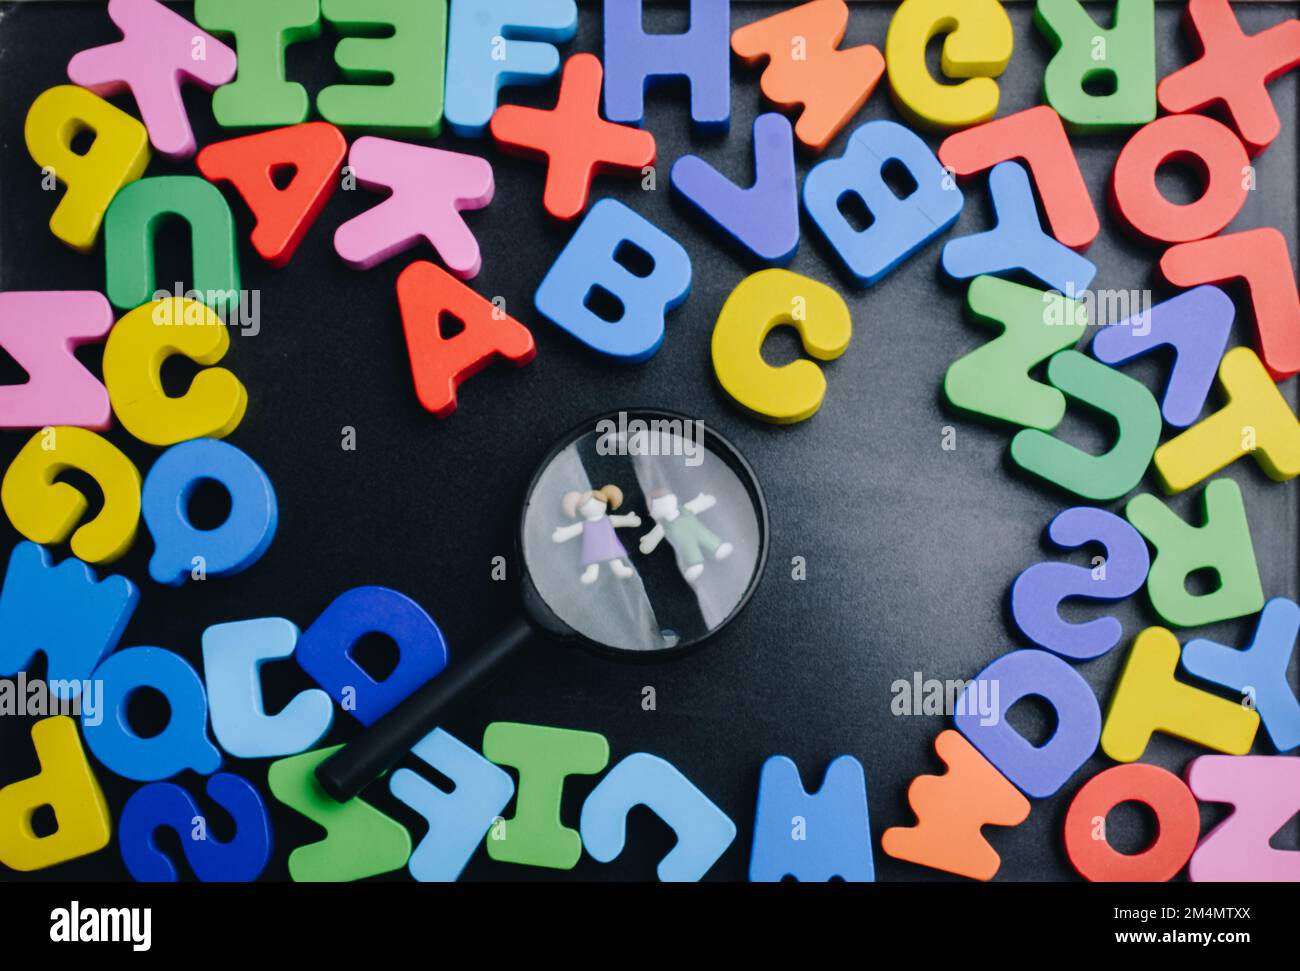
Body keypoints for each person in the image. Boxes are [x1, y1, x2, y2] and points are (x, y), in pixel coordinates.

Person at [551, 485, 641, 585]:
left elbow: (622, 520)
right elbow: (572, 530)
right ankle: (592, 574)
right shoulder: (587, 524)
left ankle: (619, 569)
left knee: (613, 558)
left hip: (608, 545)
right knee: (595, 562)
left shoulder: (607, 520)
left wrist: (629, 520)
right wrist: (563, 533)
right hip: (595, 547)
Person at [638, 488, 733, 583]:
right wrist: (648, 541)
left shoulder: (684, 509)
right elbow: (648, 544)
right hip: (686, 542)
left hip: (698, 531)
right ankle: (696, 564)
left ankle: (717, 549)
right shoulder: (664, 524)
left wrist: (704, 500)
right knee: (690, 549)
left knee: (706, 537)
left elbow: (705, 502)